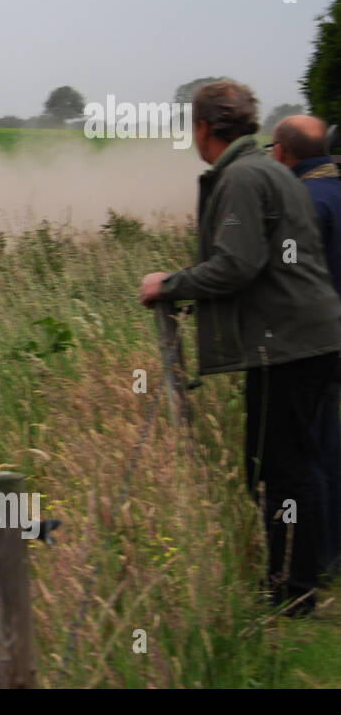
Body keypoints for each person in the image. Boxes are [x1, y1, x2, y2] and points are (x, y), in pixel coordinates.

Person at [139, 81, 341, 615]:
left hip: (291, 346)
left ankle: (292, 594)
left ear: (201, 128)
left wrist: (170, 285)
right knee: (278, 467)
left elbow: (237, 264)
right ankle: (295, 580)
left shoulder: (243, 178)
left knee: (283, 471)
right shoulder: (267, 170)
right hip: (300, 340)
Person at [271, 114, 341, 576]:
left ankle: (315, 559)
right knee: (328, 443)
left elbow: (289, 274)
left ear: (283, 152)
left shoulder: (305, 202)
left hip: (314, 341)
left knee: (307, 452)